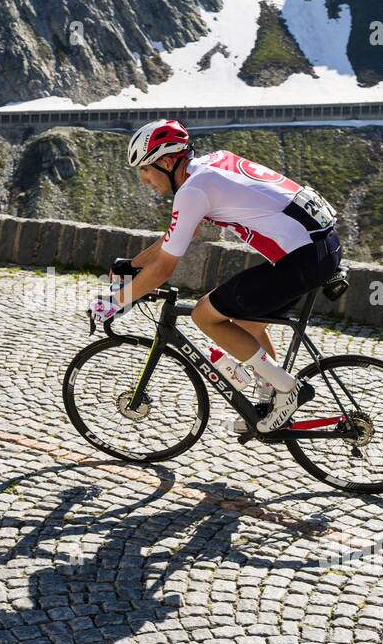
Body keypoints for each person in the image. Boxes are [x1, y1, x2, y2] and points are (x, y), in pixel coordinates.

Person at [90, 119, 343, 434]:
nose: (143, 179)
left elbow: (166, 267)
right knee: (244, 327)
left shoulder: (194, 191)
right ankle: (271, 394)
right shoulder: (210, 166)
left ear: (168, 162)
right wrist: (135, 264)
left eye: (145, 168)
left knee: (205, 315)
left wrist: (116, 301)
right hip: (322, 246)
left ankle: (288, 388)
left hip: (302, 258)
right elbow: (180, 234)